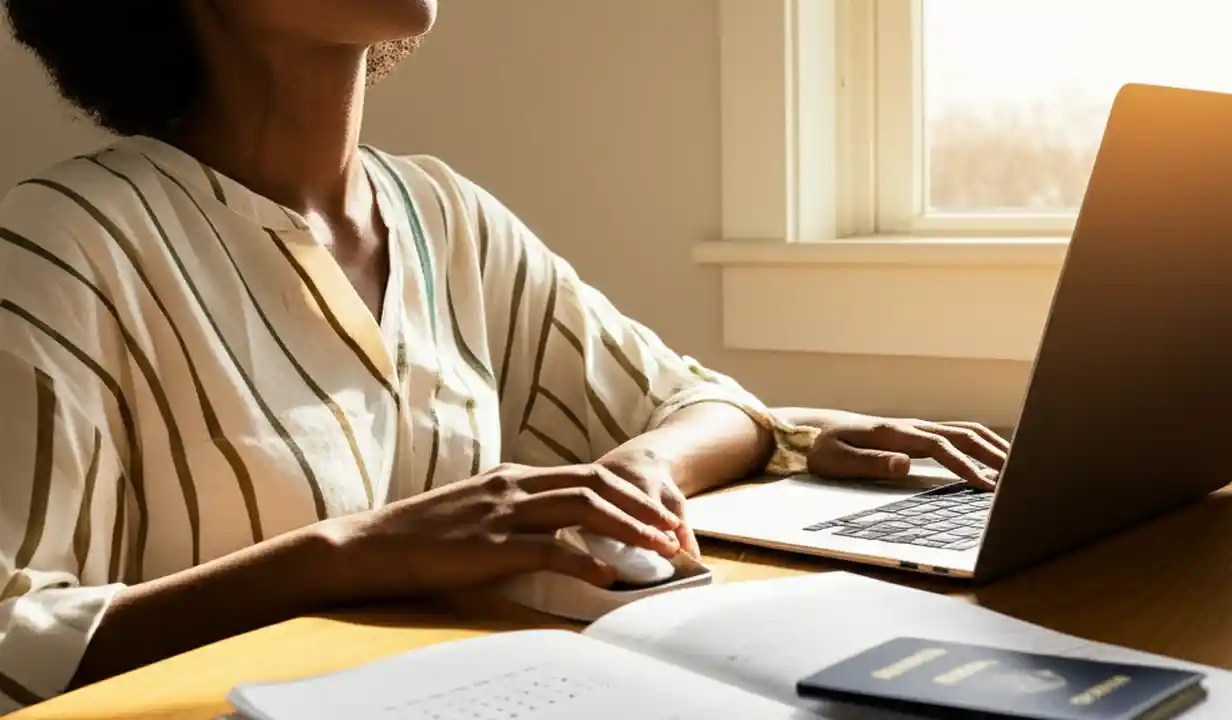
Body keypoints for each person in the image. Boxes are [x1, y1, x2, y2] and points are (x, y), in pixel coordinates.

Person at [0, 0, 1009, 710]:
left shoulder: (440, 213)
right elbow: (14, 640)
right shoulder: (61, 247)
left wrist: (639, 471)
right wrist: (355, 552)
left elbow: (697, 404)